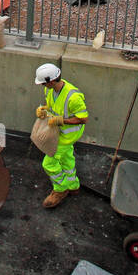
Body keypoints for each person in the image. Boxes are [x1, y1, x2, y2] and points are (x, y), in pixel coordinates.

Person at [34, 63, 88, 208]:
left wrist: (62, 120)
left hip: (67, 136)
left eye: (43, 83)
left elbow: (83, 118)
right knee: (66, 159)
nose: (42, 86)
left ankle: (60, 189)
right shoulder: (50, 90)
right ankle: (73, 185)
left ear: (51, 81)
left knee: (49, 163)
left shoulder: (73, 96)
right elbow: (50, 105)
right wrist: (44, 109)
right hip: (60, 133)